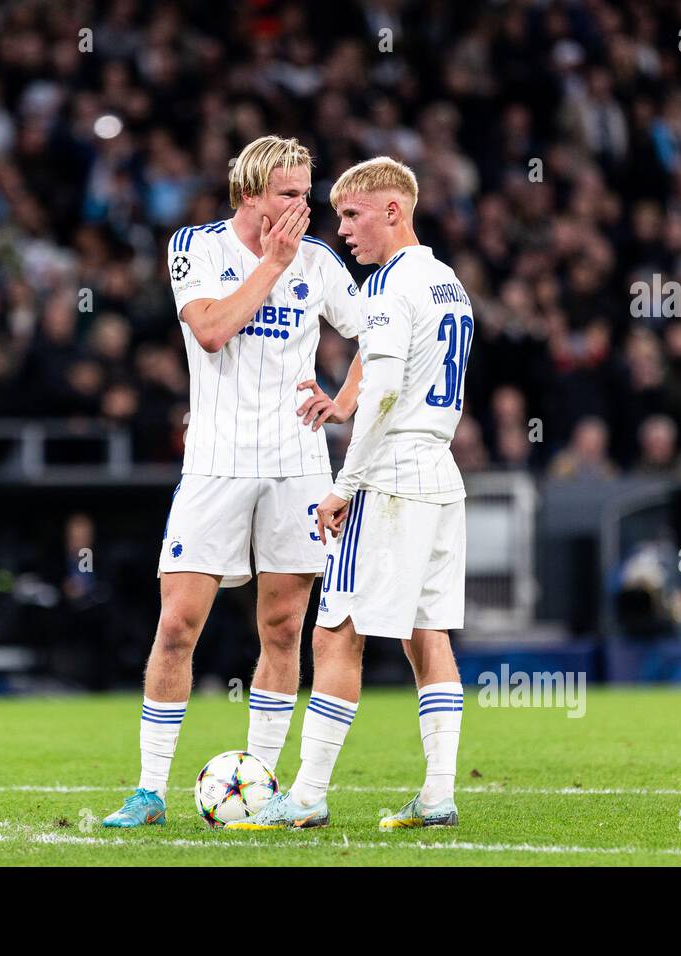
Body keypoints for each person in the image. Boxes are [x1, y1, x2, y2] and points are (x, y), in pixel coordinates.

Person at [102, 135, 364, 827]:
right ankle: (150, 790)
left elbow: (380, 334)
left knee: (282, 630)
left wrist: (344, 399)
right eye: (286, 194)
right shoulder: (196, 245)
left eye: (306, 195)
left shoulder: (320, 262)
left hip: (298, 466)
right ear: (249, 194)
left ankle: (265, 787)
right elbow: (213, 330)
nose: (300, 208)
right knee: (178, 624)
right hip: (215, 465)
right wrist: (273, 265)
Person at [230, 156, 472, 831]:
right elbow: (393, 368)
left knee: (336, 631)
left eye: (353, 214)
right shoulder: (446, 280)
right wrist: (343, 399)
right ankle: (438, 794)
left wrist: (343, 486)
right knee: (428, 634)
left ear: (394, 210)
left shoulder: (393, 284)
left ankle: (304, 796)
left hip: (391, 475)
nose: (342, 230)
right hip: (440, 473)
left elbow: (389, 391)